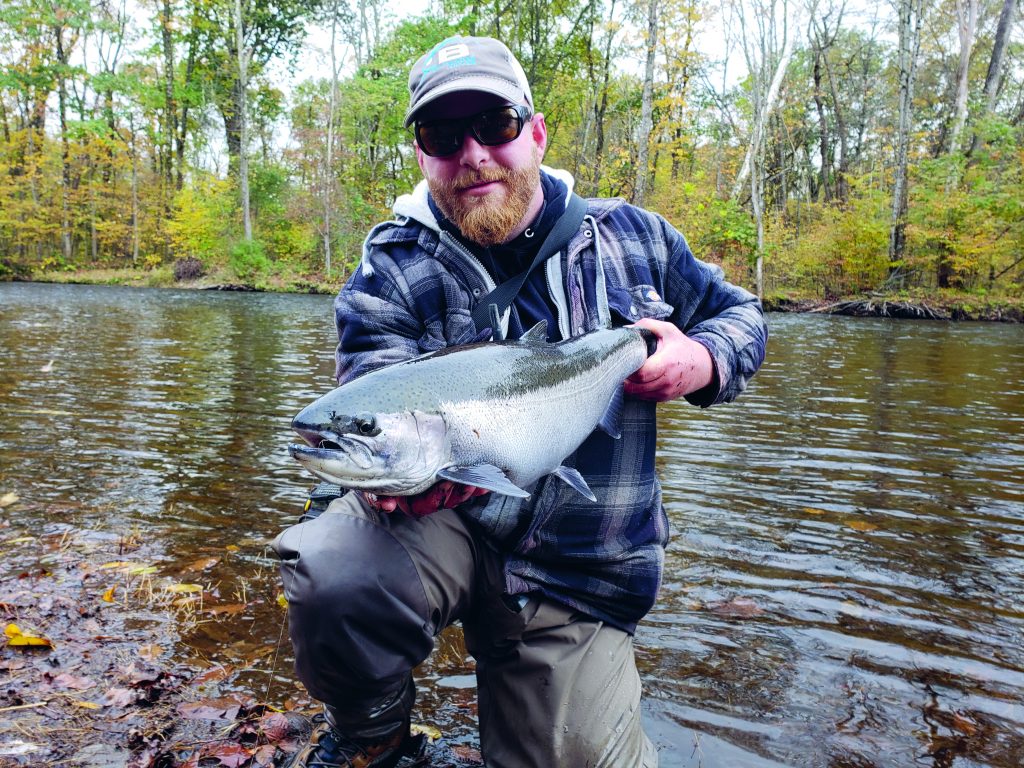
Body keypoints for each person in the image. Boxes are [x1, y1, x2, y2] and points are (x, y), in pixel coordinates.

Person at [274, 35, 767, 768]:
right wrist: (389, 480)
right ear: (421, 153)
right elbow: (369, 391)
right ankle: (371, 743)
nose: (472, 153)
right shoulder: (392, 264)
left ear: (534, 133)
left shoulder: (635, 239)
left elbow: (743, 317)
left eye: (496, 126)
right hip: (446, 524)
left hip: (581, 563)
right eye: (443, 135)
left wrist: (702, 357)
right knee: (332, 565)